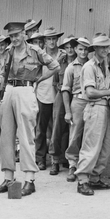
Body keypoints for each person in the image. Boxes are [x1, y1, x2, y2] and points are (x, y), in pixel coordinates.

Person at [0, 22, 59, 197]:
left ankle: (30, 179)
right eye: (11, 36)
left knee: (26, 136)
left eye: (17, 35)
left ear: (24, 34)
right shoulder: (7, 52)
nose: (14, 39)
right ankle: (8, 178)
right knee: (6, 136)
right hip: (8, 90)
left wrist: (39, 79)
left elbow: (55, 66)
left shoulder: (35, 51)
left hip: (26, 91)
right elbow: (1, 74)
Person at [75, 35, 110, 196]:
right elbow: (90, 92)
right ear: (95, 49)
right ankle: (82, 180)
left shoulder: (104, 66)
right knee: (91, 145)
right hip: (95, 107)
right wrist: (109, 91)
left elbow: (108, 85)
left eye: (107, 47)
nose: (106, 50)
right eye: (102, 47)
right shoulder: (89, 66)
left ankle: (94, 178)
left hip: (106, 108)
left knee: (106, 147)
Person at [34, 27, 63, 170]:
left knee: (56, 129)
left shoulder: (62, 54)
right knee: (41, 128)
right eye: (49, 39)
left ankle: (55, 159)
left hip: (58, 95)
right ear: (44, 40)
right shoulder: (40, 55)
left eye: (54, 38)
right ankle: (40, 158)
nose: (52, 41)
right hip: (43, 94)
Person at [62, 37, 90, 182]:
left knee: (89, 135)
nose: (83, 52)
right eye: (80, 49)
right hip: (77, 101)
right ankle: (72, 165)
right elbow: (65, 90)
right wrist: (67, 111)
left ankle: (85, 166)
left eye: (86, 49)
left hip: (91, 102)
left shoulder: (94, 65)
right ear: (76, 50)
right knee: (75, 135)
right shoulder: (71, 67)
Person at [49, 34, 77, 175]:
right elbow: (54, 81)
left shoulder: (81, 62)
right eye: (67, 47)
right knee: (57, 127)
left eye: (72, 47)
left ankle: (68, 160)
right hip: (61, 94)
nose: (70, 50)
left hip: (76, 95)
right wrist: (59, 96)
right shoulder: (60, 62)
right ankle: (55, 160)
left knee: (72, 128)